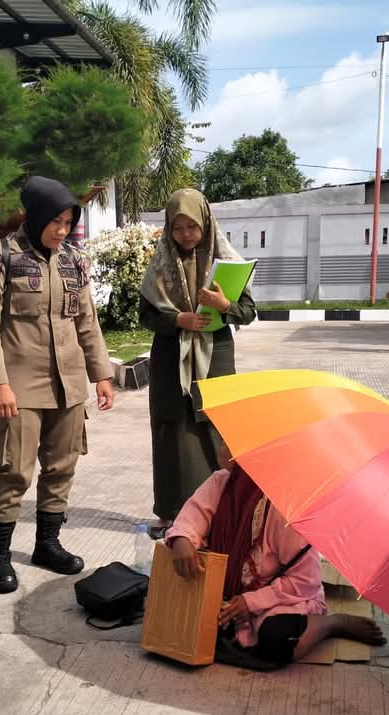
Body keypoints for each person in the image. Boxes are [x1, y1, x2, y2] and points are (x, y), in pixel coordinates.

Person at [0, 176, 115, 594]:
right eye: (55, 222)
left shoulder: (73, 260)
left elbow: (87, 322)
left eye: (69, 222)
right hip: (20, 386)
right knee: (15, 471)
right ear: (35, 218)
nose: (63, 230)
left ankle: (46, 545)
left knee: (62, 467)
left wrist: (101, 374)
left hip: (68, 383)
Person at [166, 446, 386, 668]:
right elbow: (190, 518)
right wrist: (182, 540)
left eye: (230, 443)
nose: (222, 447)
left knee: (276, 638)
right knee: (175, 620)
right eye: (223, 440)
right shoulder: (220, 482)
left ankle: (332, 624)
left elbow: (304, 582)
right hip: (224, 596)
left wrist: (250, 602)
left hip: (279, 600)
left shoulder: (284, 508)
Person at [139, 188, 256, 535]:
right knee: (172, 432)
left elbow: (248, 312)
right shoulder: (159, 266)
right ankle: (172, 511)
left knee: (215, 432)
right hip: (170, 359)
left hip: (216, 356)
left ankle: (218, 512)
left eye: (192, 226)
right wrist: (178, 320)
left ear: (206, 223)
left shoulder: (227, 263)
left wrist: (223, 306)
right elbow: (145, 315)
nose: (186, 234)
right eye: (178, 227)